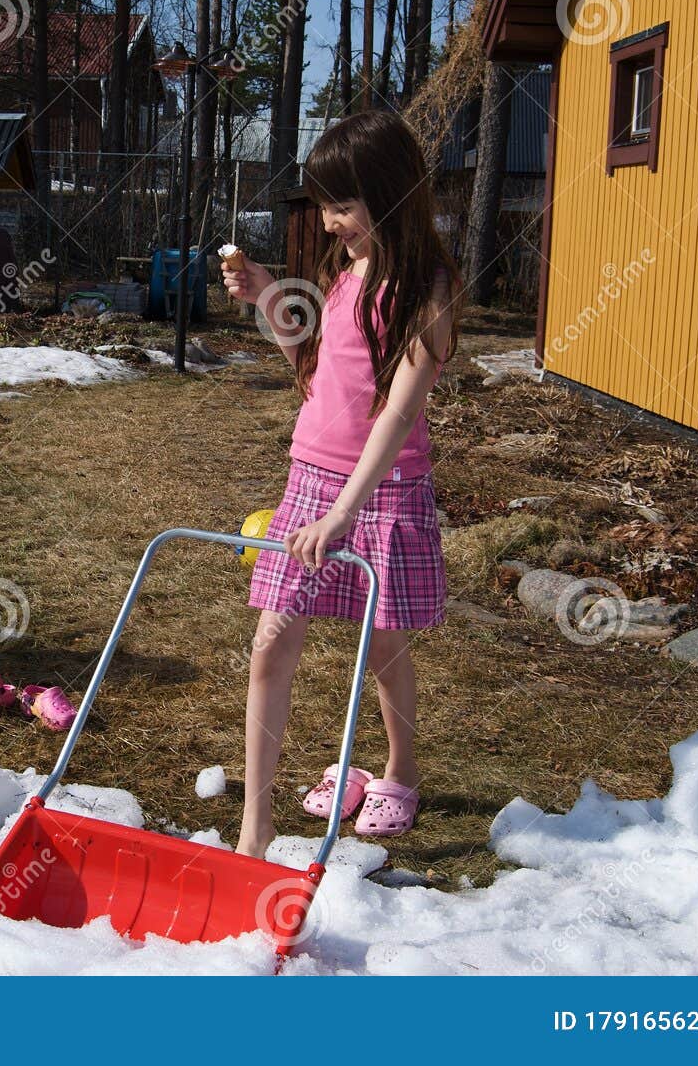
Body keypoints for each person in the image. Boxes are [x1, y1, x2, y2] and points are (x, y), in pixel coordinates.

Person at [220, 108, 459, 857]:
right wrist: (267, 294)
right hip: (311, 480)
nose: (328, 222)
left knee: (383, 647)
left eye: (342, 206)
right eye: (323, 205)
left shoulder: (429, 288)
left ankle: (399, 771)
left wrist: (347, 510)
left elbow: (398, 413)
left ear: (390, 193)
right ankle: (255, 824)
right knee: (271, 643)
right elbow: (322, 367)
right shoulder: (347, 273)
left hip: (381, 491)